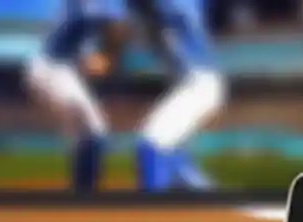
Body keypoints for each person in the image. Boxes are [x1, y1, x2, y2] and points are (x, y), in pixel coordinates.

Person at [25, 0, 225, 192]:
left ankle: (154, 207)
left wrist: (109, 53)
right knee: (104, 136)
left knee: (150, 145)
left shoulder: (166, 8)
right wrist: (108, 52)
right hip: (197, 84)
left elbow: (118, 28)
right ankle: (86, 198)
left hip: (199, 85)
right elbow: (114, 26)